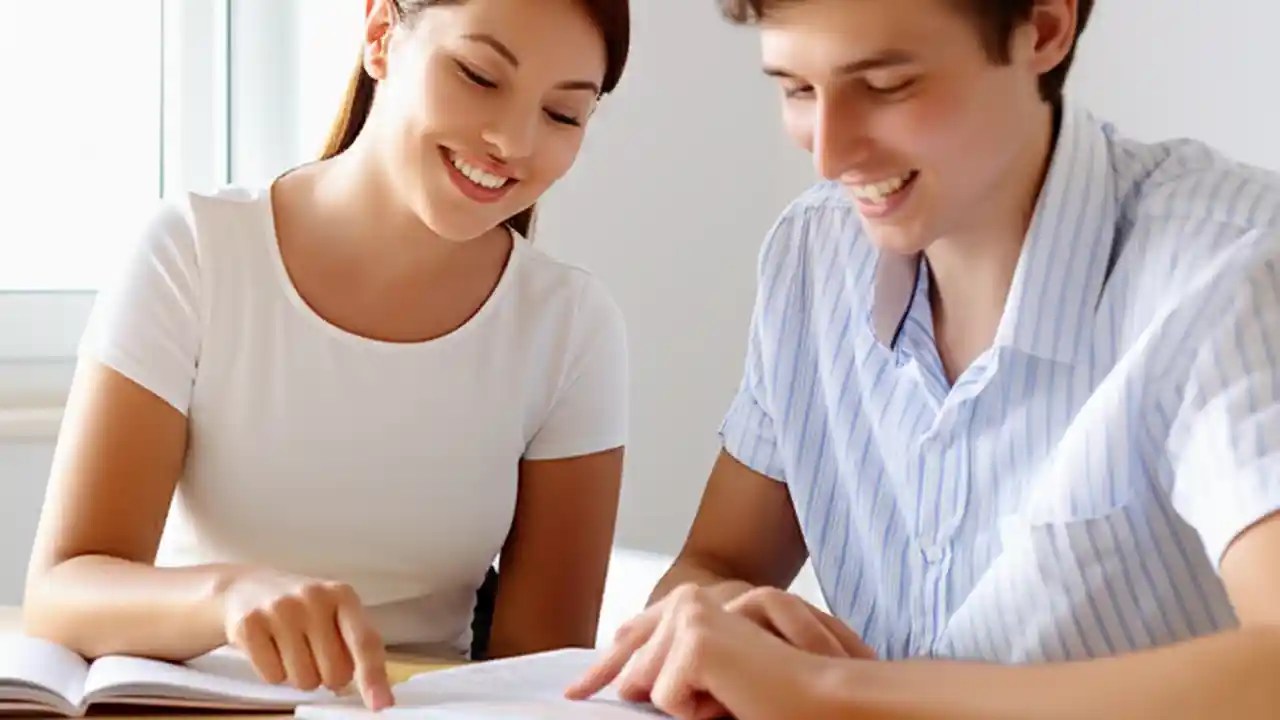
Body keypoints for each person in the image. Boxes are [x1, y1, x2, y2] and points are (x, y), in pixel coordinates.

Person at [568, 0, 1280, 717]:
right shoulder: (814, 254)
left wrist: (830, 693)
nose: (830, 154)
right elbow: (717, 566)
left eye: (885, 86)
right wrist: (725, 623)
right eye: (796, 90)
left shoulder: (1231, 263)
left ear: (1045, 27)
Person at [23, 0, 630, 711]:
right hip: (188, 702)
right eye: (477, 75)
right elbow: (63, 592)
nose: (512, 141)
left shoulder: (572, 328)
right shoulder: (194, 252)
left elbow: (538, 677)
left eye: (563, 115)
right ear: (379, 36)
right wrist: (228, 595)